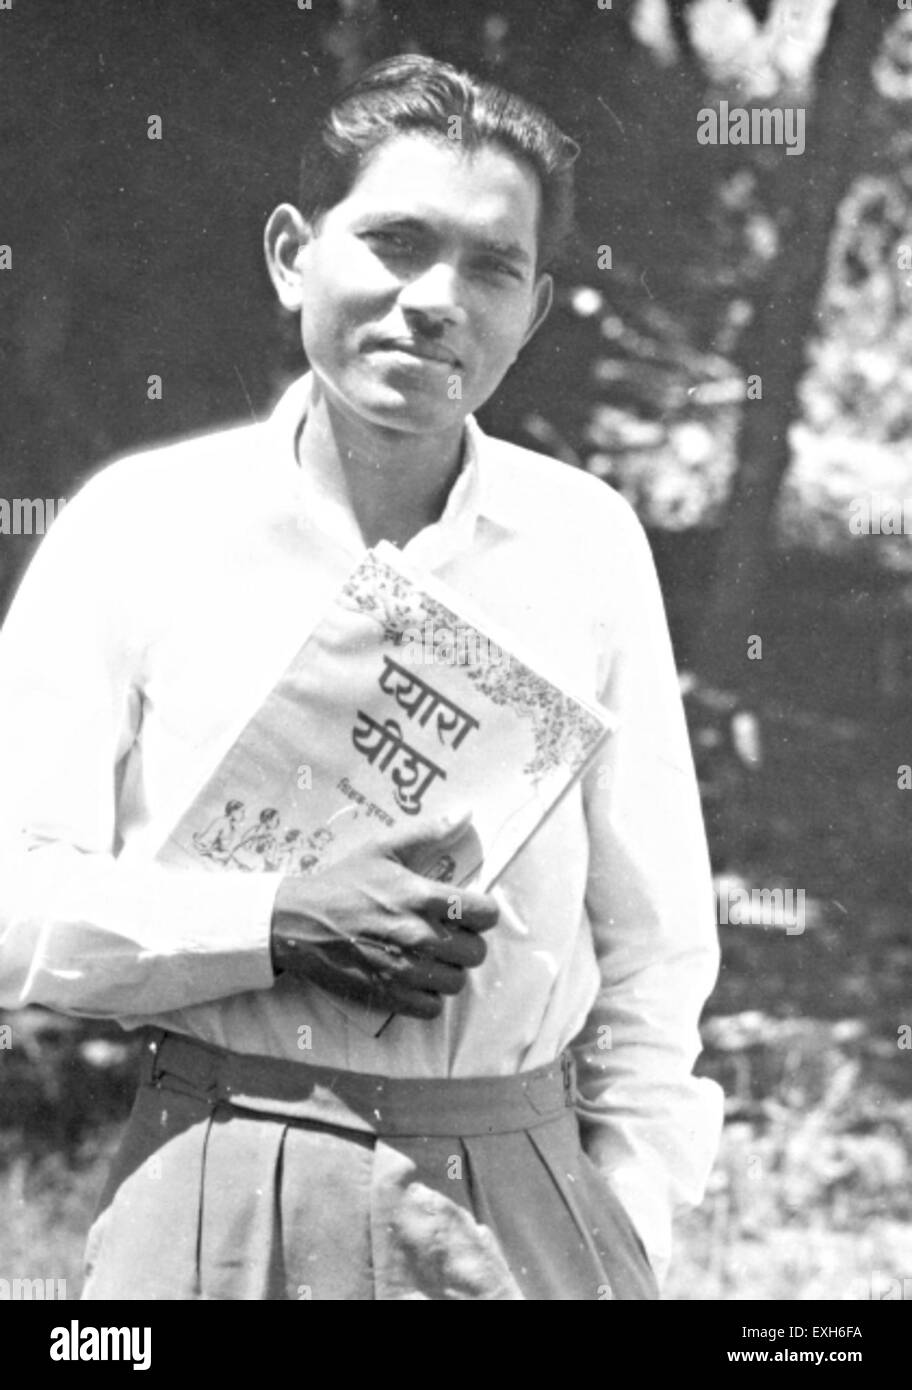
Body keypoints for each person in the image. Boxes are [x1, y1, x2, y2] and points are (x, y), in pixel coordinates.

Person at [0, 54, 722, 1300]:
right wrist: (275, 921)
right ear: (293, 254)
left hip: (520, 1197)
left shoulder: (585, 542)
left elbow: (657, 942)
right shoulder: (141, 524)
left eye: (491, 265)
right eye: (394, 240)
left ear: (536, 308)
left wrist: (627, 1212)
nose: (435, 299)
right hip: (218, 1182)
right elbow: (13, 904)